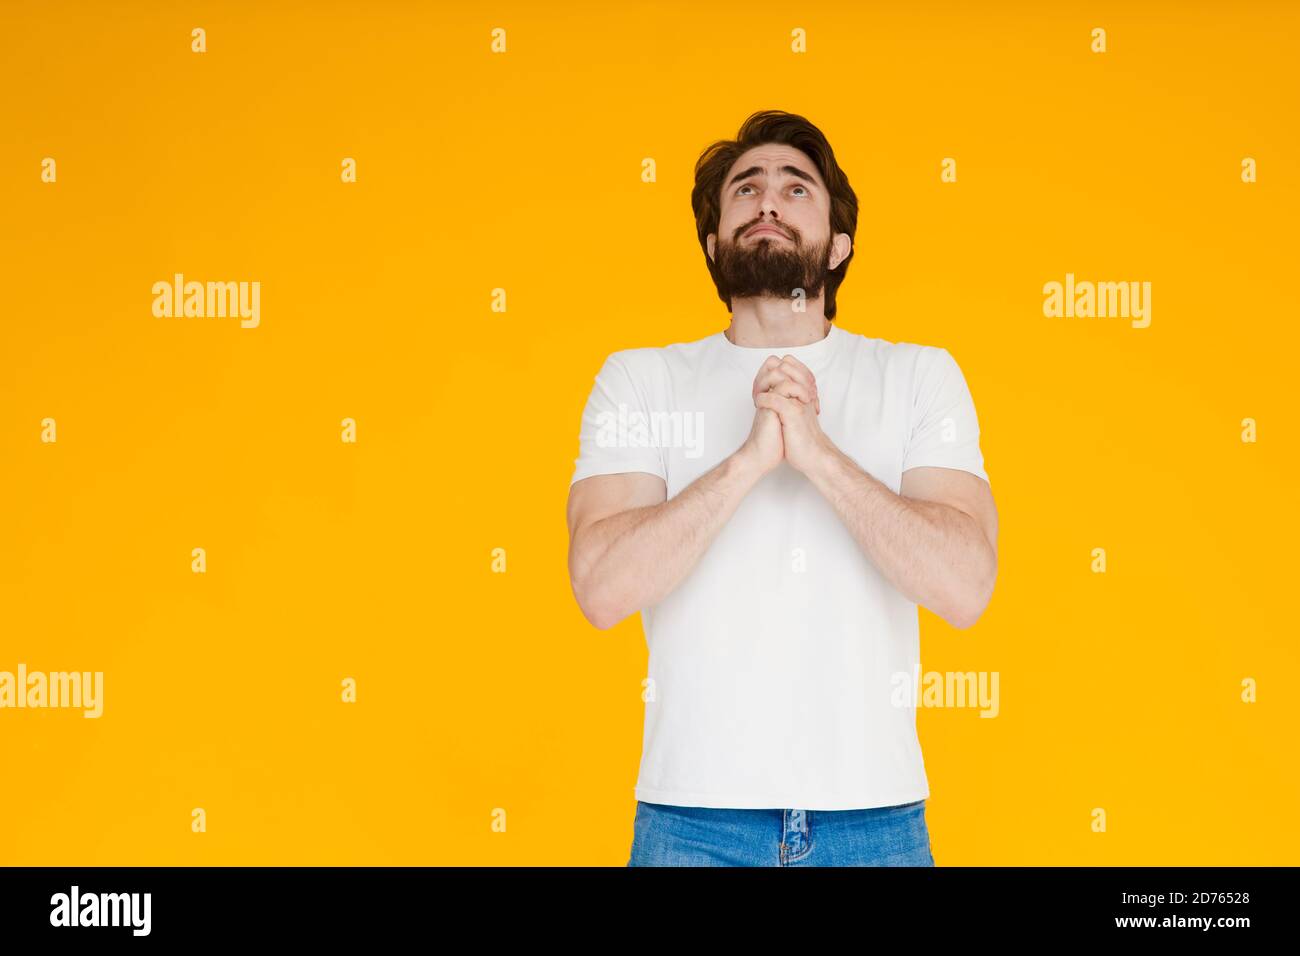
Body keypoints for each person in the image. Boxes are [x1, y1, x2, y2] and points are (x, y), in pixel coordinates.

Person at [565, 110, 999, 866]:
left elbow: (965, 586)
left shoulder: (918, 375)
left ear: (839, 245)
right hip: (690, 822)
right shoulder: (641, 378)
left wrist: (819, 454)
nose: (767, 202)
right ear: (712, 243)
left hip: (875, 821)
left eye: (797, 189)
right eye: (746, 189)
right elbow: (601, 587)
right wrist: (747, 462)